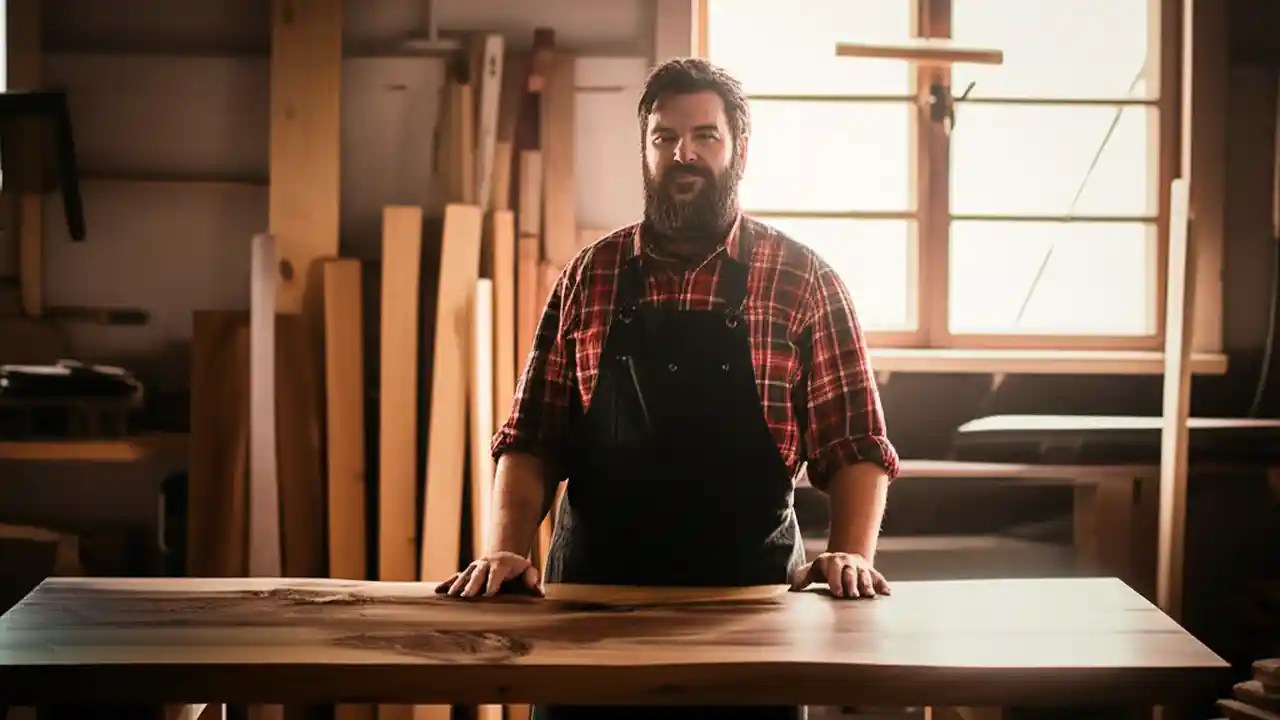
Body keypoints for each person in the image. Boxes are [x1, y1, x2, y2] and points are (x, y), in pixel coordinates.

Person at [435, 57, 900, 719]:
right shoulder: (591, 276)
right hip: (592, 614)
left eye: (705, 136)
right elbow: (531, 438)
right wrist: (506, 550)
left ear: (739, 150)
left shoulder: (802, 281)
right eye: (664, 138)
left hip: (750, 616)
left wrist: (850, 554)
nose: (684, 154)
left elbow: (855, 446)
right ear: (645, 149)